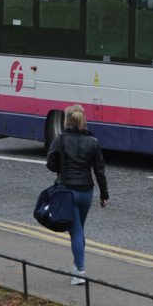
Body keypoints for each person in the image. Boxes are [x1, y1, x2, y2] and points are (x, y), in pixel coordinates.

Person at [46, 104, 109, 284]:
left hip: (68, 192)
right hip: (87, 192)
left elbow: (50, 163)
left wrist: (62, 169)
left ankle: (80, 272)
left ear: (67, 120)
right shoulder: (93, 142)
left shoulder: (60, 140)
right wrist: (104, 194)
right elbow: (100, 171)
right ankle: (76, 266)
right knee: (78, 230)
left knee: (76, 232)